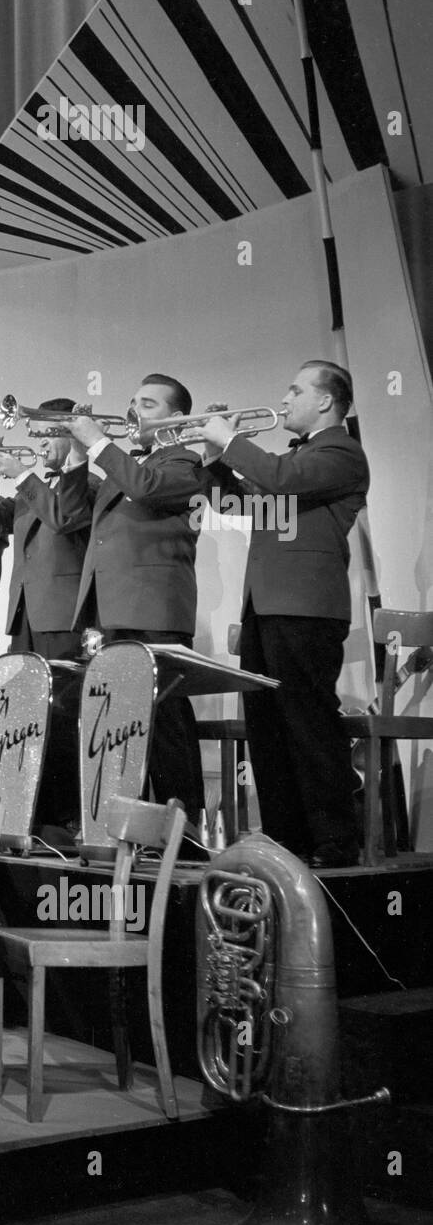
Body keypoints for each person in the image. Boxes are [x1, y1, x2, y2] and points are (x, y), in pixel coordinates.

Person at [199, 360, 368, 868]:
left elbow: (279, 477)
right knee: (268, 729)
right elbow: (228, 504)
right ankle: (286, 839)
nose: (285, 398)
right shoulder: (290, 465)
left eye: (295, 390)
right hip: (265, 607)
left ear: (324, 402)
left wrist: (231, 442)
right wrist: (214, 460)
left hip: (306, 609)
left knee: (308, 725)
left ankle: (335, 840)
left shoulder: (340, 451)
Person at [68, 374, 207, 828]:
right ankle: (132, 827)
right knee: (124, 725)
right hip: (114, 609)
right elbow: (73, 514)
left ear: (176, 417)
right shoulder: (129, 464)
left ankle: (183, 830)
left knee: (166, 724)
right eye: (132, 402)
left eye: (147, 404)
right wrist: (76, 456)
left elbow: (146, 487)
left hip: (154, 609)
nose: (133, 412)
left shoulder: (185, 461)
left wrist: (99, 444)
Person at [0, 397, 94, 832]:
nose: (41, 441)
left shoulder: (84, 484)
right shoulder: (34, 493)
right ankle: (37, 813)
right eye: (41, 432)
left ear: (72, 433)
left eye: (50, 432)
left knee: (64, 720)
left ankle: (68, 817)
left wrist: (25, 476)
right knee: (29, 719)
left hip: (63, 617)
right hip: (26, 618)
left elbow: (64, 517)